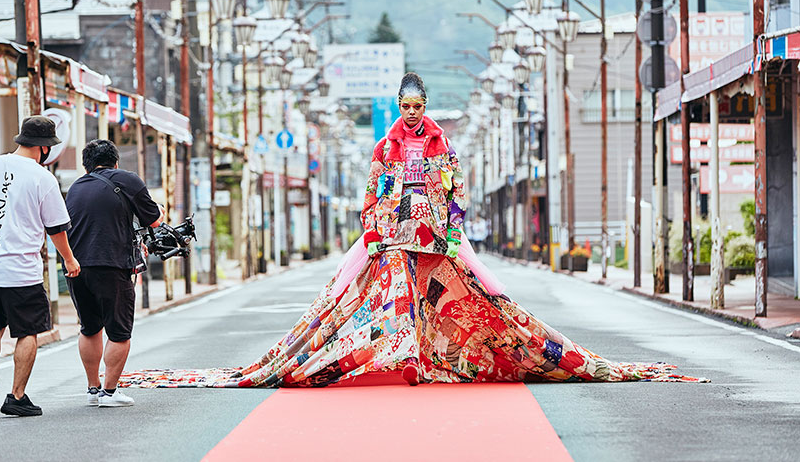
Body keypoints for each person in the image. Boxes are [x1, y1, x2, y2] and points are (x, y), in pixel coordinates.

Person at [120, 73, 704, 388]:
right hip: (393, 236)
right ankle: (408, 358)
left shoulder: (441, 142)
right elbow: (373, 192)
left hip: (433, 238)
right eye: (406, 107)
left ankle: (430, 357)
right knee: (364, 300)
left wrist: (451, 227)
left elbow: (454, 189)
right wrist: (374, 227)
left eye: (419, 106)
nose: (413, 114)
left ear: (427, 105)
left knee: (469, 296)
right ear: (398, 107)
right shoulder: (384, 146)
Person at [0, 116, 80, 416]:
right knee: (27, 331)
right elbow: (56, 228)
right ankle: (16, 396)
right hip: (21, 274)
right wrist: (69, 259)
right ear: (44, 149)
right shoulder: (43, 178)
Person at [65, 139, 163, 407]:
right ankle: (109, 392)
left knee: (90, 327)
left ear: (86, 167)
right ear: (116, 161)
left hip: (75, 267)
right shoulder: (127, 180)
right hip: (111, 265)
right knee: (119, 331)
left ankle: (93, 389)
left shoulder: (75, 188)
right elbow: (154, 220)